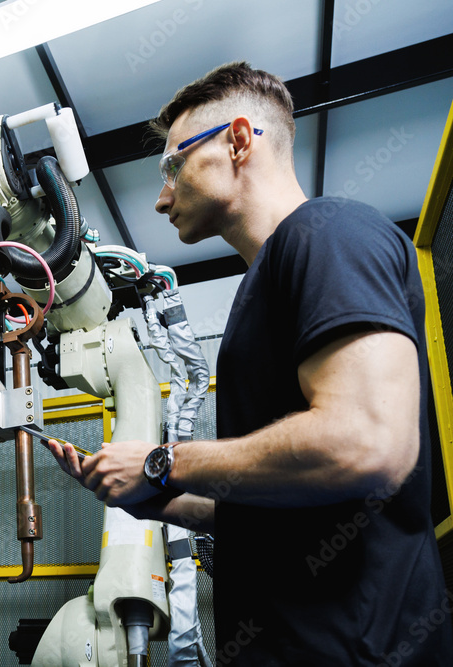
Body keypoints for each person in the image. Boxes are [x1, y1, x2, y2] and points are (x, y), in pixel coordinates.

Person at [49, 62, 453, 665]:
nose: (161, 198)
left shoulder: (327, 233)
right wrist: (151, 498)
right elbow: (272, 509)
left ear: (238, 141)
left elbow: (366, 443)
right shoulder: (264, 287)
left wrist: (162, 462)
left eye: (172, 166)